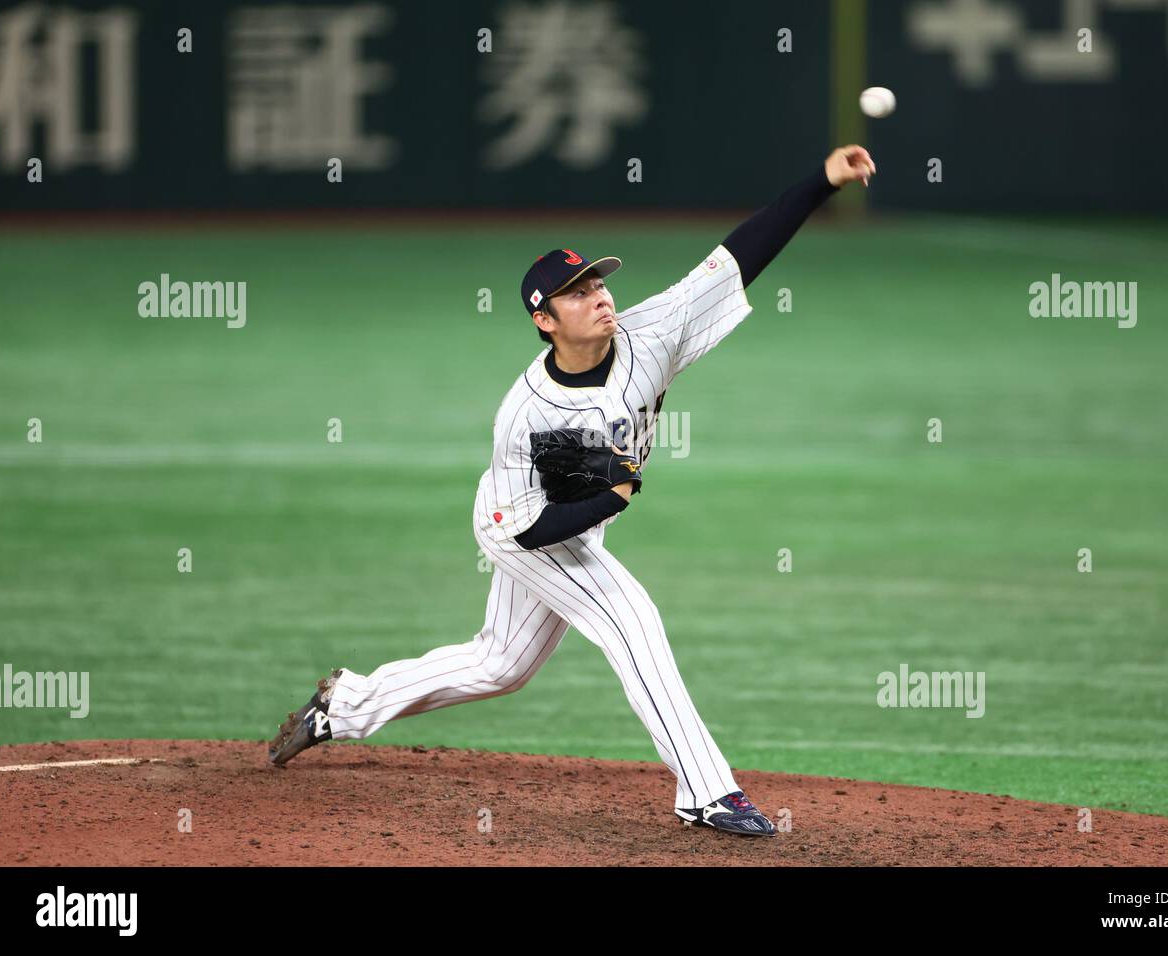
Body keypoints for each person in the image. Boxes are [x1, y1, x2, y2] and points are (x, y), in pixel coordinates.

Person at [268, 145, 878, 837]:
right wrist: (607, 500)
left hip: (574, 514)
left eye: (599, 282)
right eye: (579, 292)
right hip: (521, 526)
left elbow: (745, 252)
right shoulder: (527, 414)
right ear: (545, 319)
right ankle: (706, 791)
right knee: (632, 621)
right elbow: (524, 529)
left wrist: (821, 183)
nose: (600, 296)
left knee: (501, 664)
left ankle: (343, 706)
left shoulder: (654, 330)